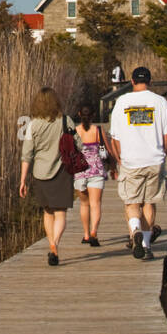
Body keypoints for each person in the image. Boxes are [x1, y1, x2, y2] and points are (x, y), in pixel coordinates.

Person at [110, 66, 167, 261]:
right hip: (154, 159)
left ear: (131, 81)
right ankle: (146, 245)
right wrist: (162, 152)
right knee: (149, 202)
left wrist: (119, 156)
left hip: (131, 160)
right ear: (150, 81)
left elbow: (115, 136)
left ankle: (135, 229)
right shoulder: (160, 102)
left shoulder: (122, 102)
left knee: (131, 202)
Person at [19, 86, 75, 266]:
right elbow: (78, 144)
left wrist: (23, 180)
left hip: (40, 174)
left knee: (48, 211)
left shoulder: (32, 125)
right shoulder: (66, 121)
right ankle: (55, 244)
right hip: (62, 172)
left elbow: (27, 154)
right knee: (61, 213)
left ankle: (51, 243)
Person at [73, 103, 114, 246]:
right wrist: (113, 166)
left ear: (79, 114)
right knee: (95, 204)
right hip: (96, 170)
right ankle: (93, 232)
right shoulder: (98, 130)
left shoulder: (74, 131)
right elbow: (108, 150)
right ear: (93, 115)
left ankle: (85, 234)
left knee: (84, 204)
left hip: (79, 172)